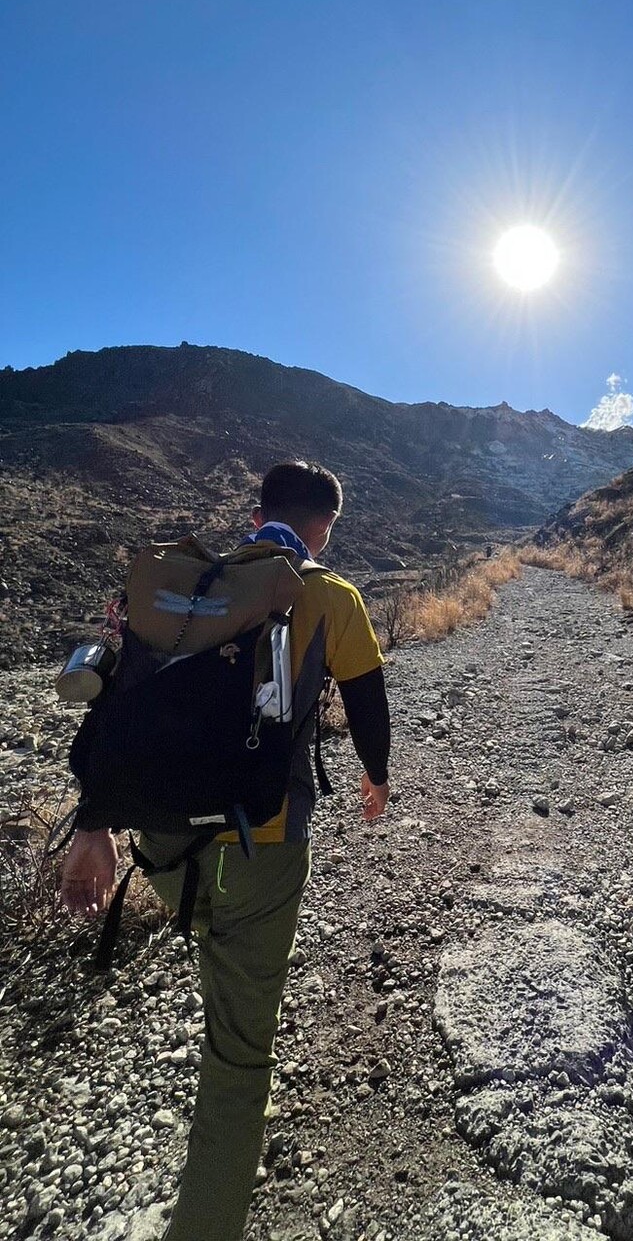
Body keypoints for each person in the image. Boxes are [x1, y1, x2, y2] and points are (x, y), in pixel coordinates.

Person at [60, 460, 392, 1241]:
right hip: (264, 839)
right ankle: (205, 1225)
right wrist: (376, 780)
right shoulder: (331, 596)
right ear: (325, 528)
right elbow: (368, 705)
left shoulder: (183, 584)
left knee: (212, 933)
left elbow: (117, 710)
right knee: (239, 1049)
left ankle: (219, 953)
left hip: (160, 833)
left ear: (256, 517)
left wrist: (91, 825)